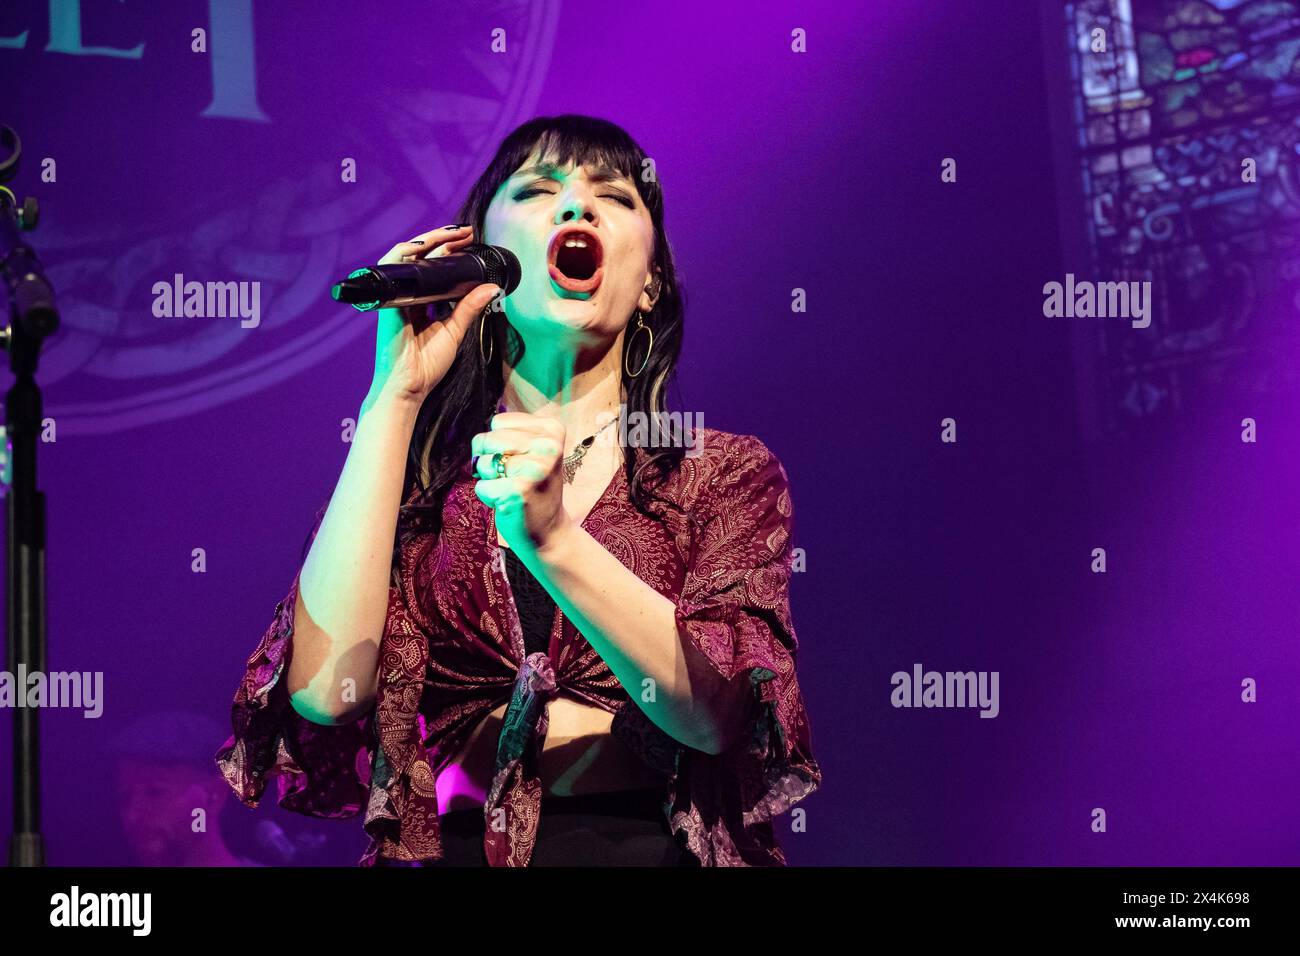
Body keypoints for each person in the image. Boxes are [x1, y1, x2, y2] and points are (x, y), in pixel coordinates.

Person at [215, 114, 821, 866]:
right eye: (537, 190)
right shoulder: (420, 481)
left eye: (614, 196)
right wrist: (393, 401)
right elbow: (327, 693)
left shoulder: (717, 471)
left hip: (641, 846)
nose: (577, 206)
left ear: (651, 282)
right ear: (486, 268)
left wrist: (552, 539)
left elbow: (715, 715)